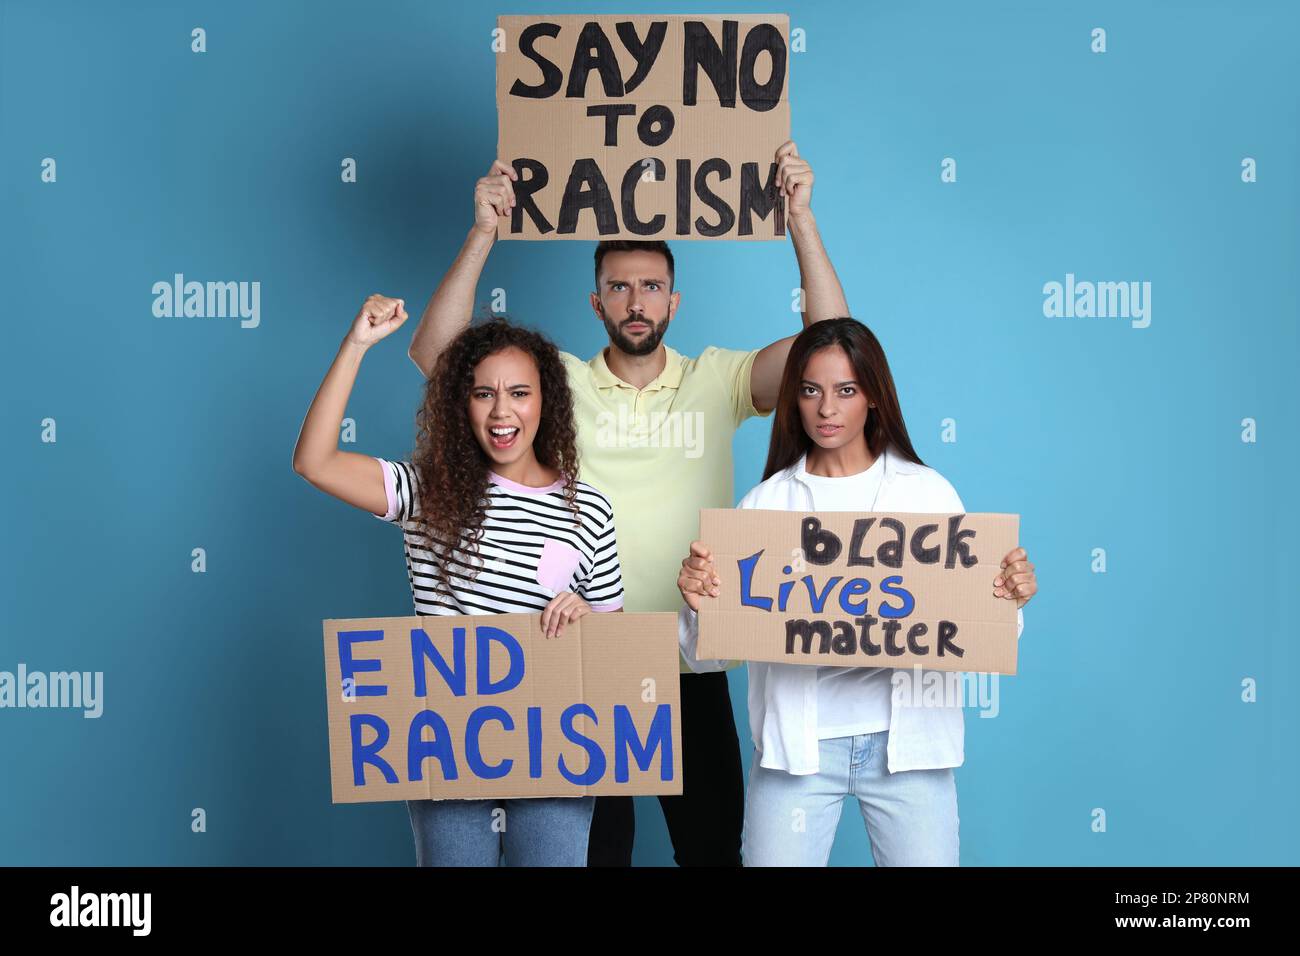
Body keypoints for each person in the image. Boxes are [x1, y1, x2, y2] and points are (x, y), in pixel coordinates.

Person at [407, 142, 849, 866]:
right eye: (618, 287)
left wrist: (801, 220)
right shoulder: (559, 383)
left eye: (651, 286)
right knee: (598, 858)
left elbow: (833, 351)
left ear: (674, 301)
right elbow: (437, 357)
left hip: (692, 656)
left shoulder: (718, 378)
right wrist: (484, 232)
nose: (636, 302)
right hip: (582, 660)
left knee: (714, 854)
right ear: (596, 302)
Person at [675, 317, 1039, 866]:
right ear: (794, 399)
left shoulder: (927, 494)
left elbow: (975, 632)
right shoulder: (764, 505)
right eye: (810, 391)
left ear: (872, 395)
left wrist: (1008, 597)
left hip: (908, 747)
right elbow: (705, 656)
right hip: (797, 751)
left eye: (845, 390)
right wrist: (699, 604)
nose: (827, 408)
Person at [292, 294, 625, 866]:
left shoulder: (590, 509)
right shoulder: (427, 491)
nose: (502, 412)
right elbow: (314, 461)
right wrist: (357, 345)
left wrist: (587, 618)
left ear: (546, 400)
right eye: (483, 393)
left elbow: (615, 656)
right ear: (461, 404)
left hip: (554, 743)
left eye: (519, 393)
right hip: (447, 741)